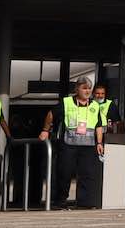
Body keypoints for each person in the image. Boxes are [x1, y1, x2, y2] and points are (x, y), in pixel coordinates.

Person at [41, 77, 104, 209]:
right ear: (77, 89)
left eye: (89, 88)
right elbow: (51, 114)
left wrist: (99, 143)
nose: (87, 91)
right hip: (69, 143)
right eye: (84, 88)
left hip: (88, 145)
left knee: (87, 174)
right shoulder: (67, 102)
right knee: (64, 173)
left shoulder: (94, 106)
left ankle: (85, 203)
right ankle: (60, 201)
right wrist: (45, 130)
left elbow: (98, 125)